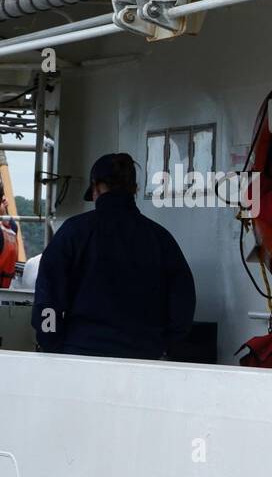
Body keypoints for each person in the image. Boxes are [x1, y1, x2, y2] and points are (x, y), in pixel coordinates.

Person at [31, 153, 195, 359]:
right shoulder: (160, 239)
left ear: (96, 188)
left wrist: (53, 346)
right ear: (134, 189)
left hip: (81, 354)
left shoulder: (73, 232)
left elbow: (48, 300)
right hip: (144, 357)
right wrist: (162, 344)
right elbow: (183, 308)